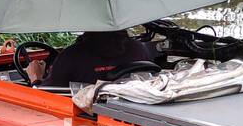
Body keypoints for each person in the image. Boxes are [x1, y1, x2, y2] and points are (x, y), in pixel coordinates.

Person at [25, 29, 158, 86]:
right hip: (133, 112)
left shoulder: (71, 56)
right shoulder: (139, 48)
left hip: (85, 119)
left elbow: (47, 99)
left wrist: (36, 78)